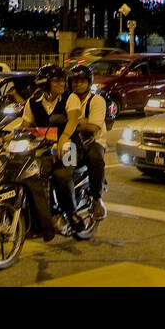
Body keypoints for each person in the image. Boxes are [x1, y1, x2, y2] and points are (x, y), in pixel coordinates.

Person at [22, 66, 82, 236]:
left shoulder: (71, 98)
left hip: (70, 147)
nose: (62, 83)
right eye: (57, 80)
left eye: (63, 80)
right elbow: (25, 125)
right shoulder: (32, 102)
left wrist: (65, 137)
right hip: (43, 148)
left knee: (61, 175)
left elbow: (73, 120)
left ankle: (72, 214)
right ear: (45, 84)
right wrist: (3, 136)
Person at [67, 64, 107, 220]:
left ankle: (97, 198)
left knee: (95, 158)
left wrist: (73, 123)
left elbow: (92, 127)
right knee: (62, 169)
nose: (77, 84)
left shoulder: (96, 101)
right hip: (72, 144)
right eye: (74, 81)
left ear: (89, 82)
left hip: (93, 142)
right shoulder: (68, 99)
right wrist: (80, 122)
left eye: (81, 81)